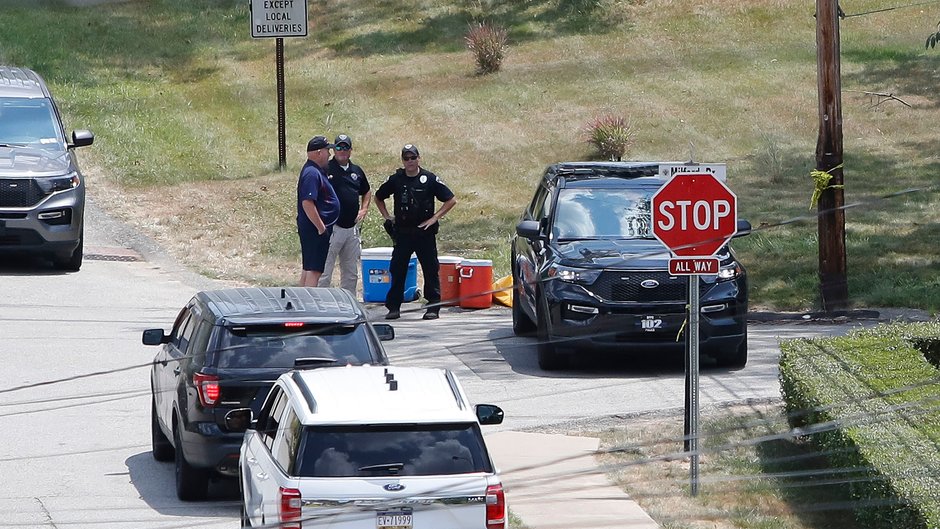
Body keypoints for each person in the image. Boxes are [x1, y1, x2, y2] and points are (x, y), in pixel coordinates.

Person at [374, 144, 457, 320]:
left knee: (430, 268)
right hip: (403, 233)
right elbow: (378, 197)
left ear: (419, 158)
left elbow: (451, 200)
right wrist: (388, 217)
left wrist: (434, 218)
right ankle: (394, 307)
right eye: (406, 158)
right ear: (402, 160)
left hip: (424, 232)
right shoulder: (396, 179)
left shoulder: (430, 178)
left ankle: (433, 307)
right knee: (397, 269)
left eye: (413, 158)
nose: (410, 162)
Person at [318, 134, 372, 293]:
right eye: (339, 147)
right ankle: (321, 305)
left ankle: (348, 305)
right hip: (332, 227)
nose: (342, 151)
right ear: (334, 150)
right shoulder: (326, 168)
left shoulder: (357, 171)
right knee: (325, 270)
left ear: (350, 150)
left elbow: (367, 191)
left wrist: (364, 209)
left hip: (351, 229)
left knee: (350, 272)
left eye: (345, 147)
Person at [297, 136, 340, 287]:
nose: (330, 155)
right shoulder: (311, 173)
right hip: (315, 229)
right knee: (314, 270)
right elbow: (307, 203)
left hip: (313, 228)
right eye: (328, 151)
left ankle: (300, 303)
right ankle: (308, 305)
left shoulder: (315, 171)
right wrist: (321, 228)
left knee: (308, 269)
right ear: (319, 152)